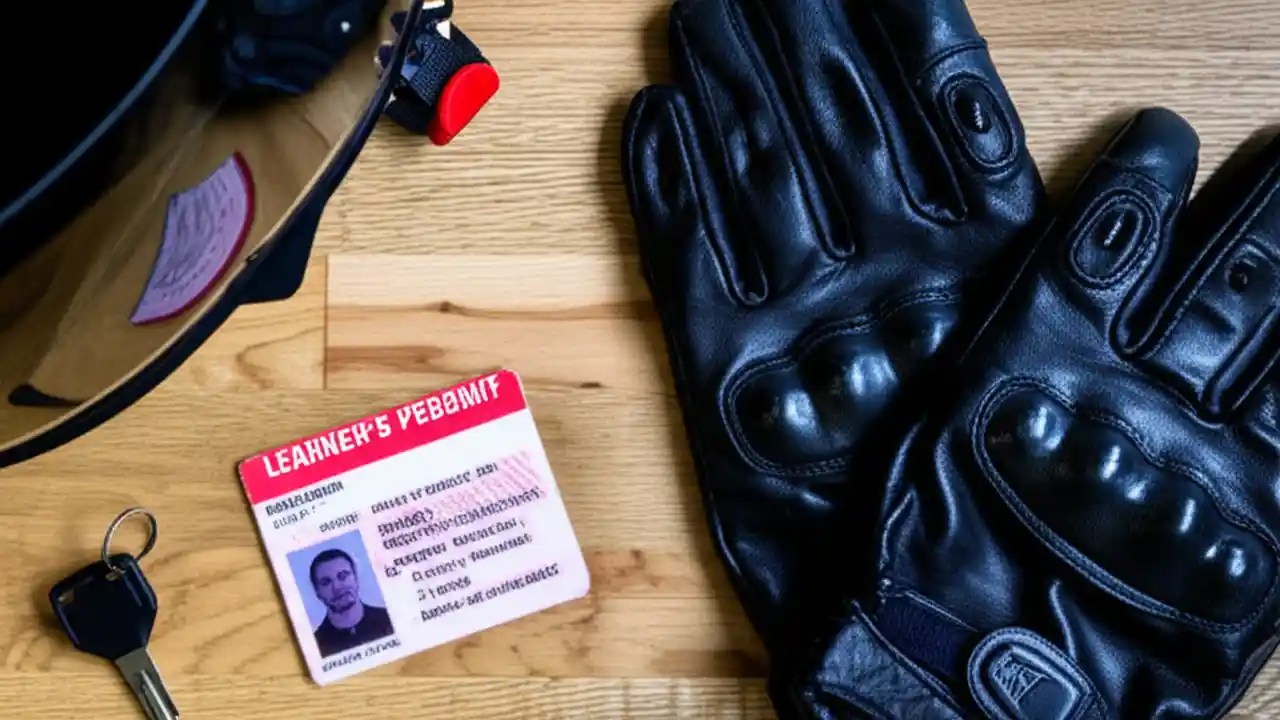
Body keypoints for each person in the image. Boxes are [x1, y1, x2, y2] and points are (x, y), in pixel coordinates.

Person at [308, 548, 395, 657]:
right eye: (326, 582)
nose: (337, 587)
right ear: (317, 592)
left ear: (356, 578)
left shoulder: (390, 619)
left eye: (343, 576)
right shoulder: (316, 647)